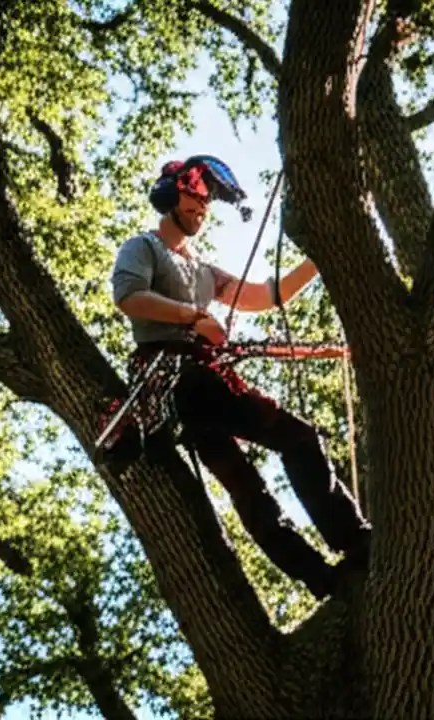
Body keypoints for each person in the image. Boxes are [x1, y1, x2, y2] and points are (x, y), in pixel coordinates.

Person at [105, 155, 370, 599]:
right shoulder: (144, 247)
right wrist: (194, 318)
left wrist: (321, 259)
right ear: (171, 195)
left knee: (247, 489)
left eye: (207, 204)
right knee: (296, 439)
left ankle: (321, 579)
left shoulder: (205, 271)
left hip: (201, 389)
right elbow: (129, 297)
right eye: (195, 198)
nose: (202, 209)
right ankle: (354, 540)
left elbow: (268, 295)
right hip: (181, 383)